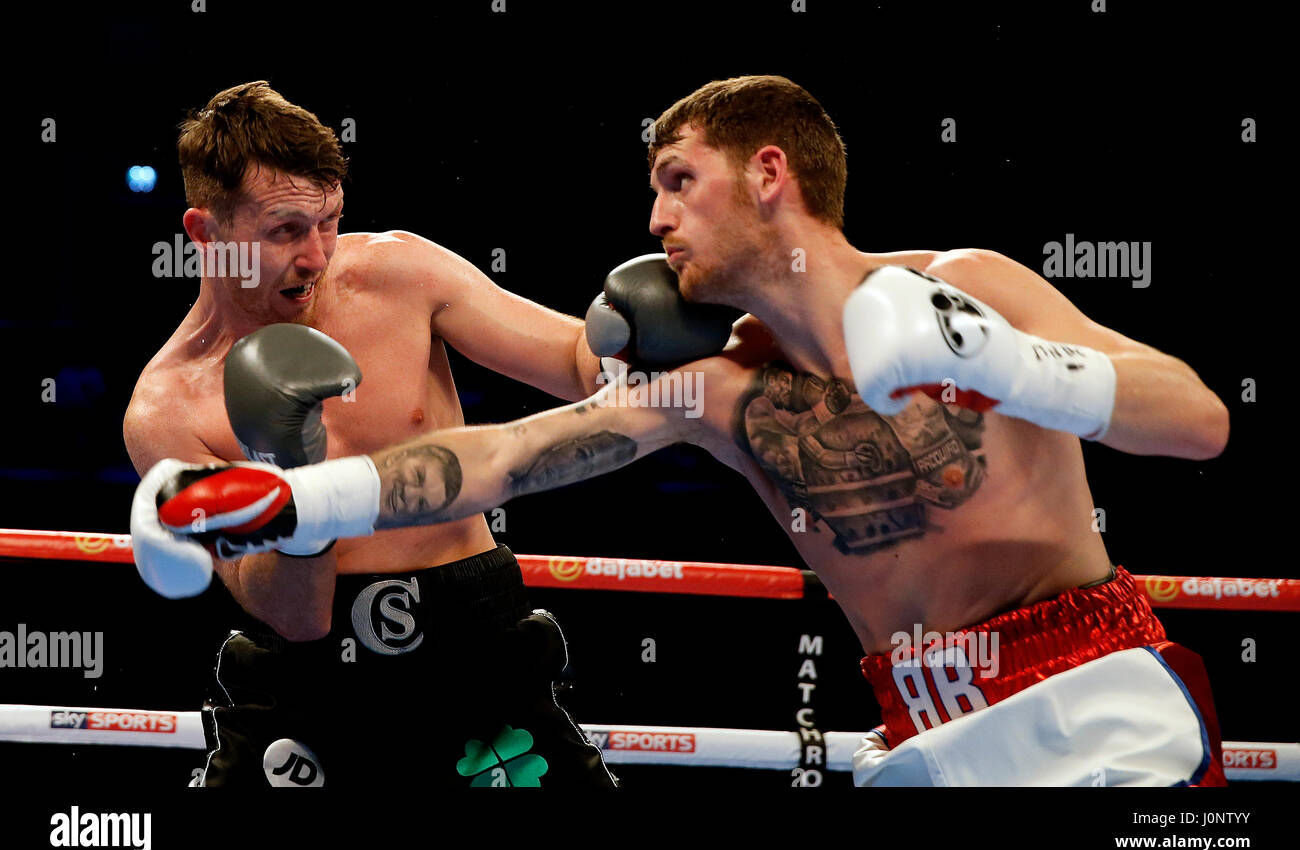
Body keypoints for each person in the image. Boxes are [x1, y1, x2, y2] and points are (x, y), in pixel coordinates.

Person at [134, 75, 1231, 786]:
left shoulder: (965, 283)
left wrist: (1001, 360)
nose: (653, 221)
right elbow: (511, 452)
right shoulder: (719, 387)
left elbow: (1196, 420)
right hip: (917, 733)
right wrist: (298, 496)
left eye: (676, 183)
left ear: (767, 176)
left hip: (1092, 699)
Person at [123, 81, 624, 788]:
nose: (317, 255)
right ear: (205, 234)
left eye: (328, 220)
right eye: (285, 231)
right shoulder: (167, 409)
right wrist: (295, 472)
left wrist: (631, 340)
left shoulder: (397, 274)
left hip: (476, 651)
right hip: (305, 688)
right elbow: (294, 615)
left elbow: (576, 362)